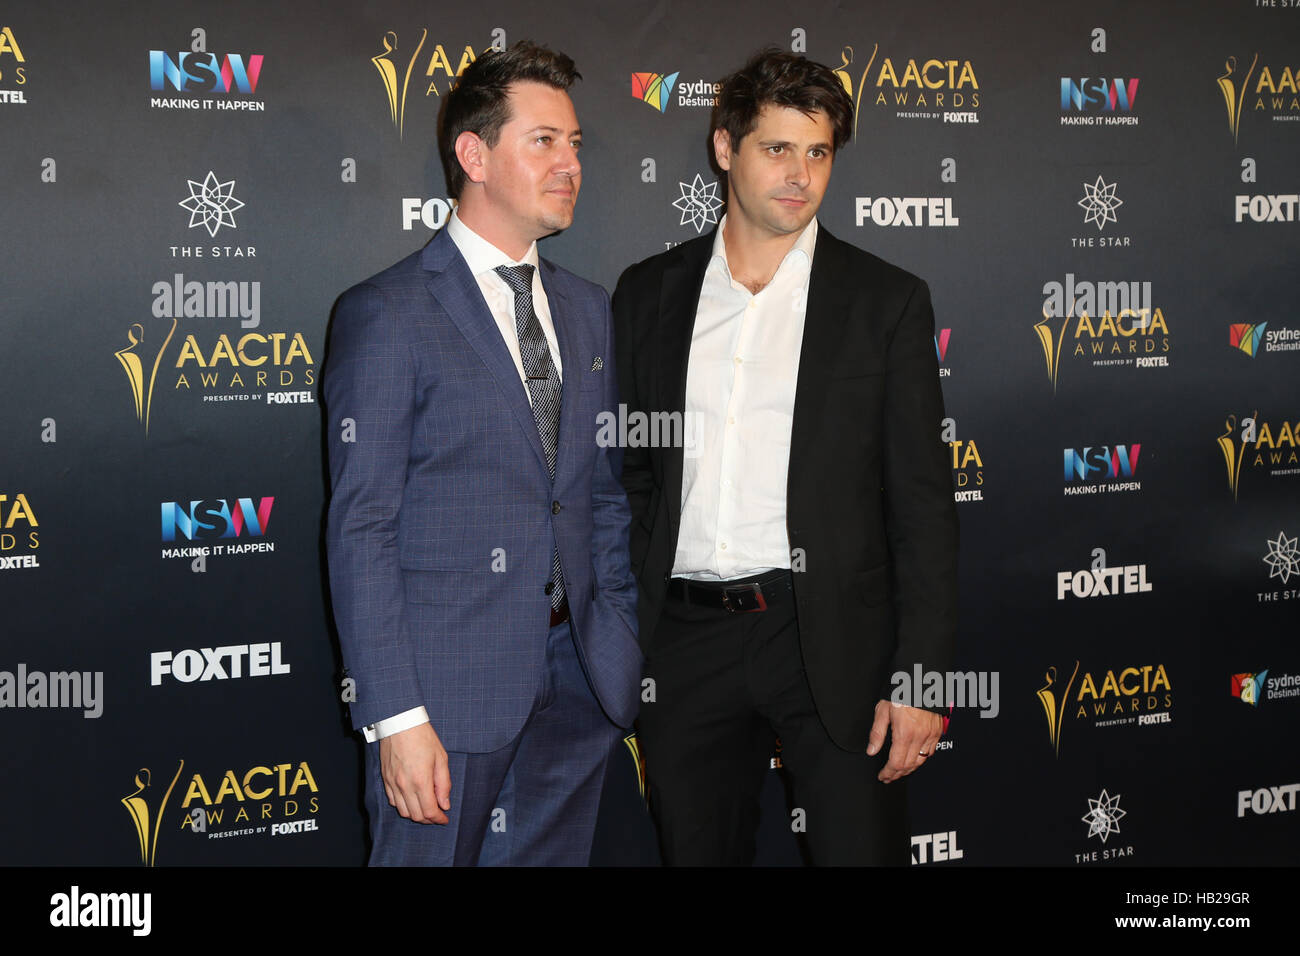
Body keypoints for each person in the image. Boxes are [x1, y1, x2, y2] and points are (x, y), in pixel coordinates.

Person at [613, 49, 958, 865]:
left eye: (819, 152)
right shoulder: (648, 293)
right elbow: (628, 479)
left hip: (833, 642)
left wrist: (924, 678)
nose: (801, 174)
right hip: (685, 647)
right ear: (724, 146)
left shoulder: (886, 300)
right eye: (777, 148)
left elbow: (923, 505)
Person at [324, 41, 641, 866]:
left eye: (575, 143)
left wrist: (616, 639)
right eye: (544, 141)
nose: (571, 162)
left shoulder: (587, 309)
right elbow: (363, 528)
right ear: (473, 154)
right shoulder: (386, 313)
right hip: (444, 697)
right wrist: (396, 717)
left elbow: (599, 496)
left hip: (579, 683)